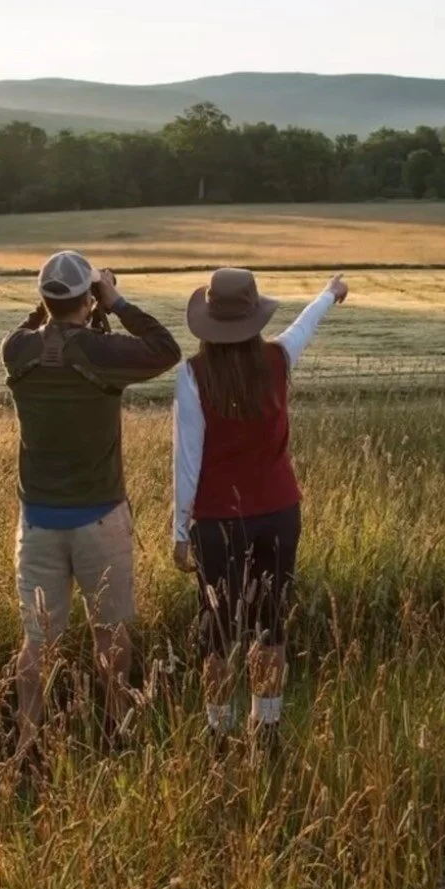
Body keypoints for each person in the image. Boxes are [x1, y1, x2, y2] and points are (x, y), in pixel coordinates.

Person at [1, 250, 181, 756]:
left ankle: (28, 745)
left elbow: (35, 329)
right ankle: (118, 730)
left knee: (38, 642)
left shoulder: (15, 351)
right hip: (100, 516)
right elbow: (164, 348)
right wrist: (115, 298)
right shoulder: (101, 353)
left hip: (36, 521)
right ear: (87, 298)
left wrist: (50, 312)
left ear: (43, 298)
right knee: (110, 635)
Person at [173, 267, 348, 742]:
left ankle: (217, 732)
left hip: (215, 522)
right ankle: (266, 726)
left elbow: (187, 459)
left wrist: (179, 533)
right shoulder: (277, 358)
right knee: (269, 626)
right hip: (278, 515)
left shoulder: (193, 375)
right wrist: (330, 293)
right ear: (253, 318)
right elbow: (304, 326)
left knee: (216, 634)